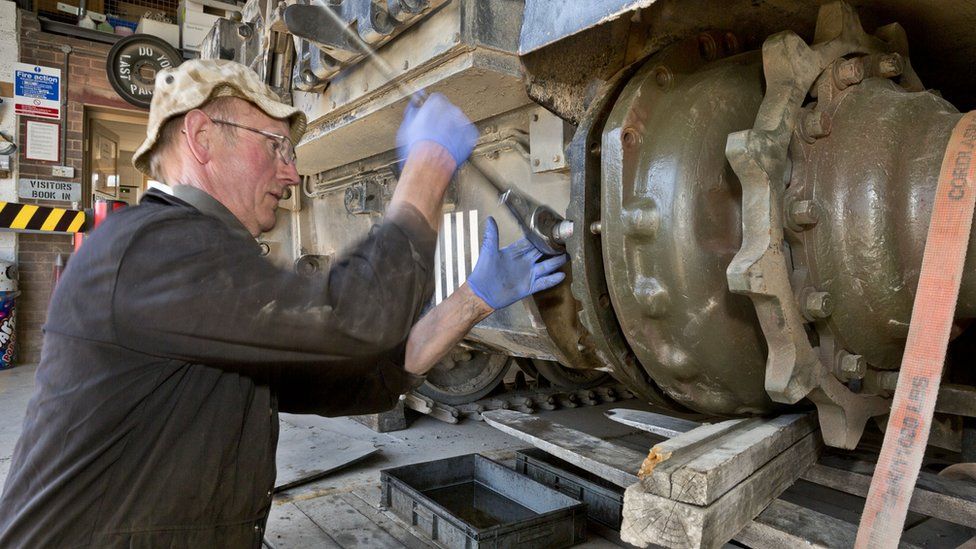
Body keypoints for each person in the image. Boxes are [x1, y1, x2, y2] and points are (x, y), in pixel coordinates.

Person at [0, 59, 567, 547]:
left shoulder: (193, 270)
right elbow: (357, 316)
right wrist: (426, 169)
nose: (292, 173)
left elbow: (363, 370)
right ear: (200, 135)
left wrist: (472, 300)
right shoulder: (149, 247)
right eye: (275, 146)